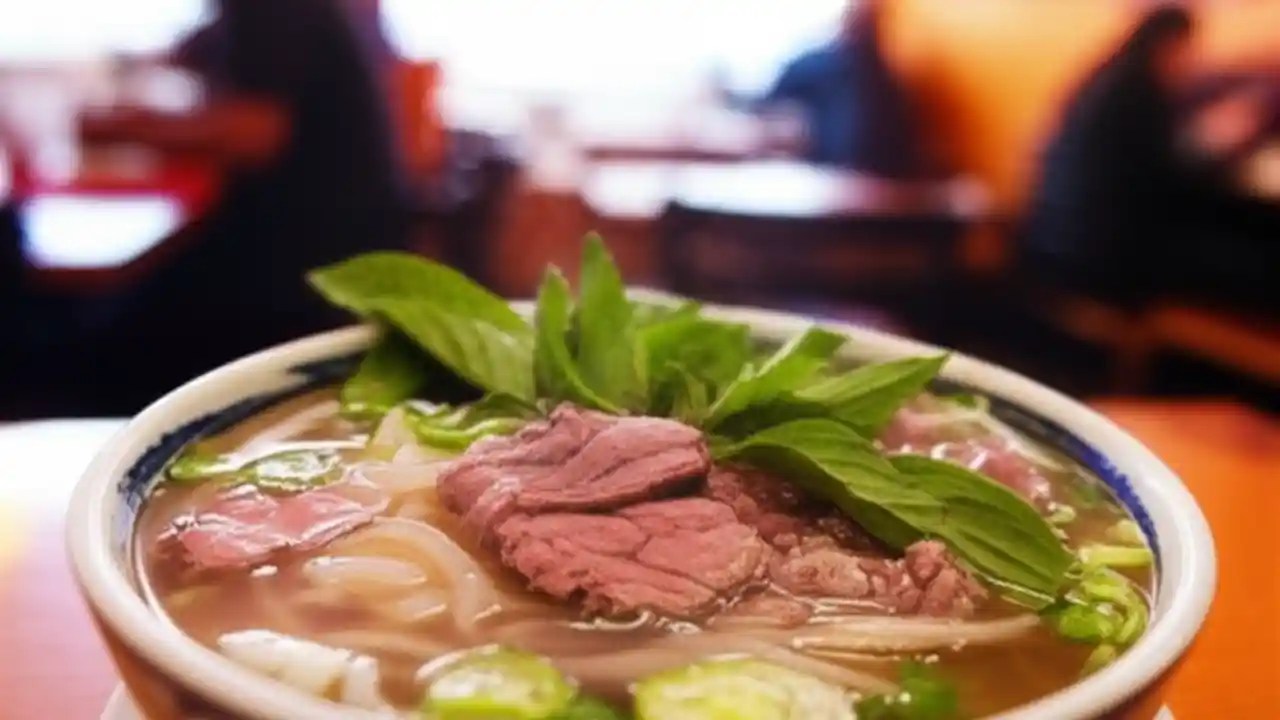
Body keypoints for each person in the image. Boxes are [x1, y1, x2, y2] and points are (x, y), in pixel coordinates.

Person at [92, 0, 412, 410]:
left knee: (110, 331)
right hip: (330, 243)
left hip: (312, 260)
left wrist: (129, 128)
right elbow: (206, 51)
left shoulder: (273, 9)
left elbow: (258, 132)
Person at [1024, 5, 1280, 310]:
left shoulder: (1109, 80)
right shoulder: (1139, 95)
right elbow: (1166, 182)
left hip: (1051, 238)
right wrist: (1214, 142)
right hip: (1097, 257)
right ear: (1169, 44)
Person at [758, 0, 929, 176]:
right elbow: (765, 123)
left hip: (867, 186)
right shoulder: (809, 67)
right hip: (803, 181)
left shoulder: (899, 83)